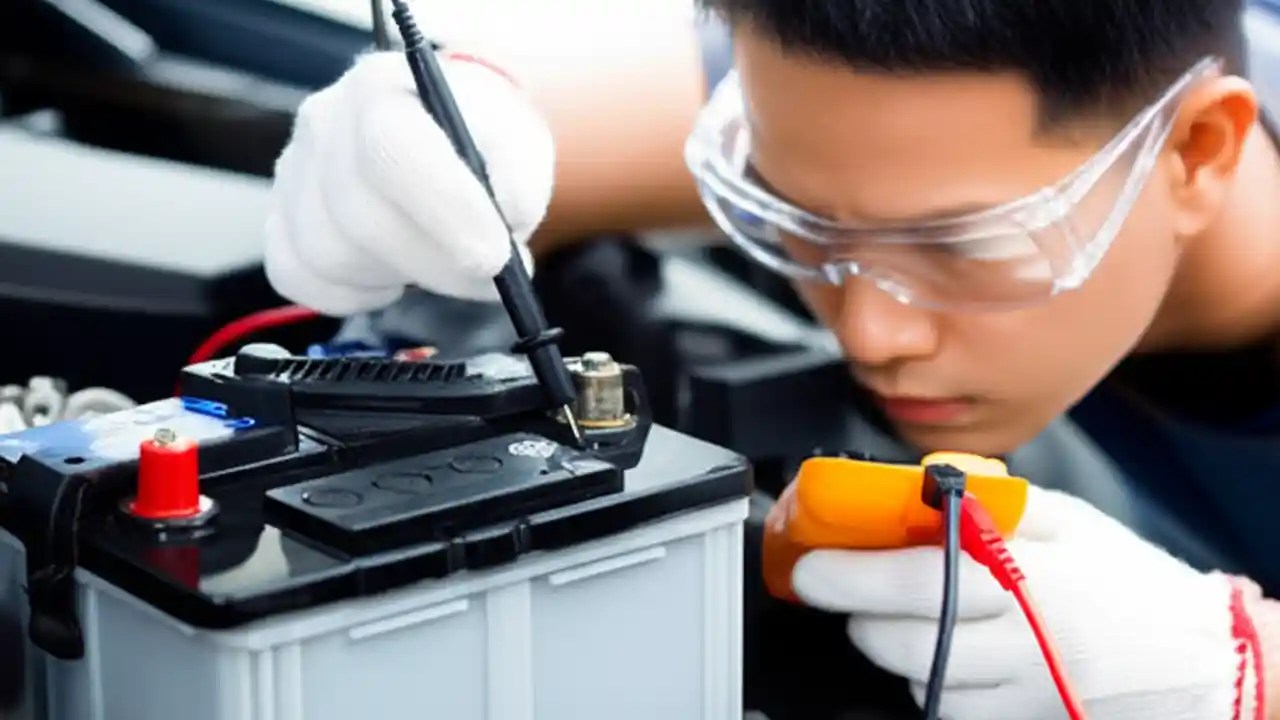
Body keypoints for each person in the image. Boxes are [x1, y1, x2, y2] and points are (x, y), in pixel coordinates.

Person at [263, 0, 1280, 717]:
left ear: (1195, 153)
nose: (868, 334)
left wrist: (1247, 673)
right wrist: (421, 135)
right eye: (797, 221)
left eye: (961, 246)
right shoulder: (887, 99)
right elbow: (499, 143)